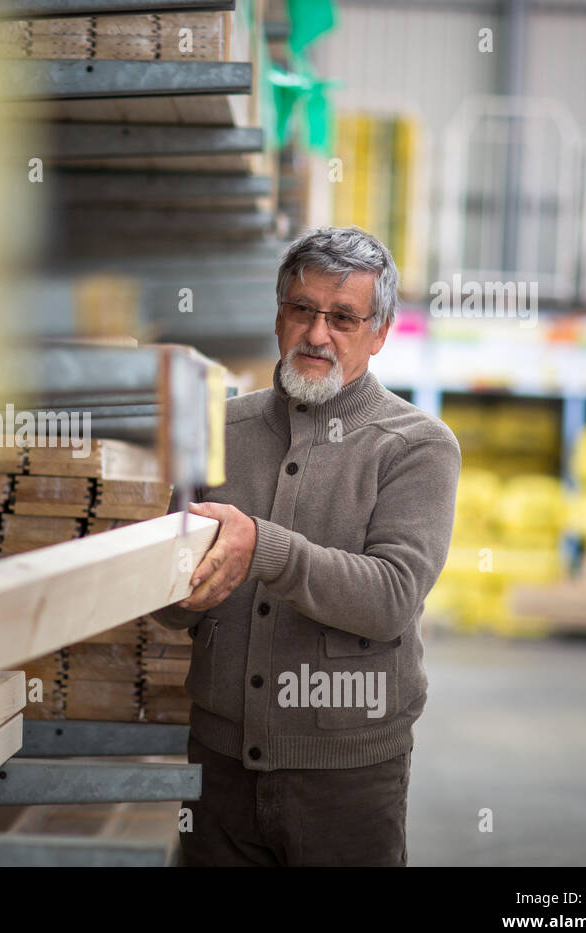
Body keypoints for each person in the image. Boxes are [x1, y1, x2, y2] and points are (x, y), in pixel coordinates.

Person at [153, 225, 461, 866]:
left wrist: (260, 546)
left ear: (379, 334)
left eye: (343, 318)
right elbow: (176, 605)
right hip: (218, 771)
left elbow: (390, 598)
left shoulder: (416, 447)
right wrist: (164, 571)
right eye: (303, 310)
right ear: (279, 316)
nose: (318, 335)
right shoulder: (220, 431)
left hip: (345, 783)